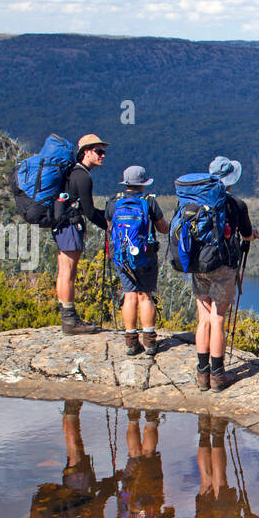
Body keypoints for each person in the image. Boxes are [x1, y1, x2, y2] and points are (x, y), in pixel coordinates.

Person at [190, 156, 258, 391]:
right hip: (223, 267)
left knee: (204, 318)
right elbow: (247, 233)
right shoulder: (236, 204)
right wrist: (251, 235)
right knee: (218, 318)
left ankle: (202, 375)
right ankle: (218, 375)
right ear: (230, 180)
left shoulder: (194, 202)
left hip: (198, 266)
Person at [25, 400, 123, 518]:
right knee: (73, 453)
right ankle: (68, 413)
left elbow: (98, 504)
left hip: (78, 487)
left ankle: (71, 411)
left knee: (75, 449)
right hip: (72, 492)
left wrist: (110, 484)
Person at [105, 165, 169, 356]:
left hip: (122, 256)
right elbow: (163, 228)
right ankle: (149, 342)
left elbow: (110, 228)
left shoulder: (114, 202)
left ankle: (131, 342)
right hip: (145, 257)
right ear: (142, 184)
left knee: (130, 295)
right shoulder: (149, 203)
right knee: (145, 295)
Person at [55, 134, 110, 335]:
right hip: (71, 226)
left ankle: (67, 315)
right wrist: (107, 224)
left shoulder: (72, 173)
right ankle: (70, 321)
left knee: (63, 270)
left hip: (61, 225)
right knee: (69, 272)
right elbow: (88, 211)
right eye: (99, 151)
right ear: (86, 152)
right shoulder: (83, 177)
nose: (103, 155)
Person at [114, 409, 175, 518]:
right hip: (128, 492)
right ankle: (133, 417)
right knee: (134, 453)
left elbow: (166, 517)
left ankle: (151, 418)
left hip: (150, 492)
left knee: (148, 454)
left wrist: (170, 511)